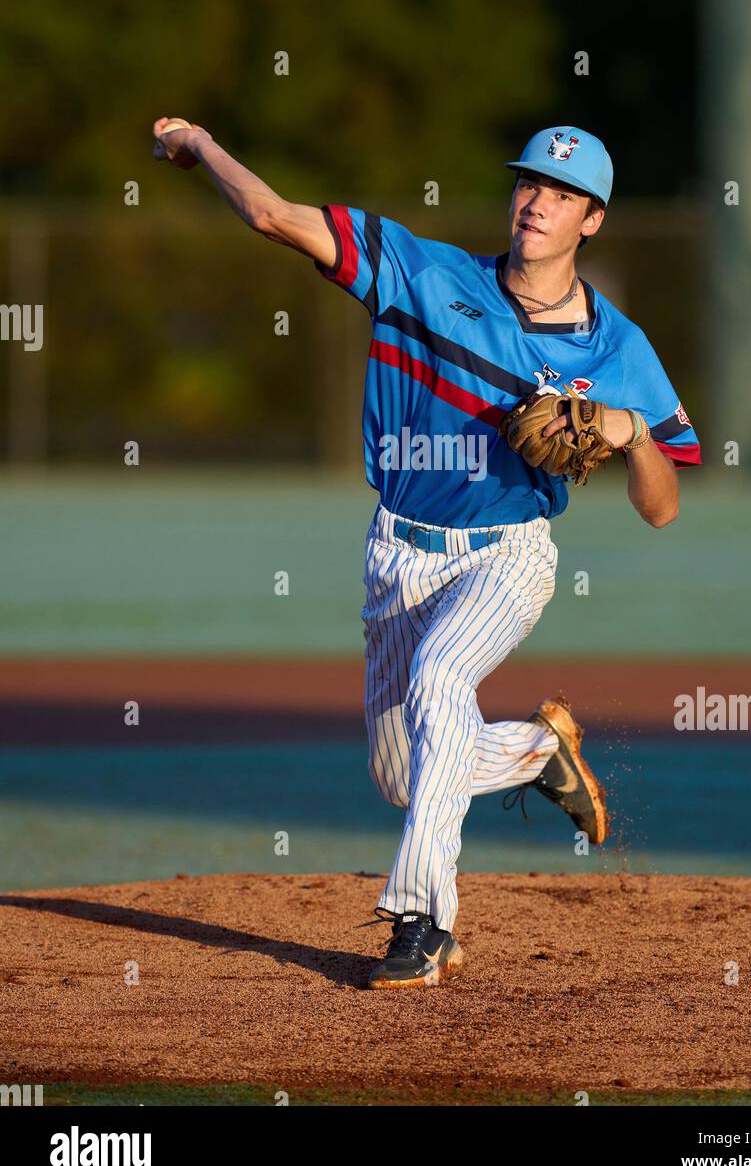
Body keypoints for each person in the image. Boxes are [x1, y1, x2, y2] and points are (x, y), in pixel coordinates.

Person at [152, 118, 701, 989]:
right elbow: (271, 216)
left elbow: (663, 508)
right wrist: (202, 147)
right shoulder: (419, 272)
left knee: (442, 680)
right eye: (530, 183)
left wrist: (633, 432)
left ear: (592, 220)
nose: (537, 203)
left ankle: (420, 921)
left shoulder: (618, 348)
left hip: (508, 553)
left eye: (563, 195)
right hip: (397, 553)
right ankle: (532, 750)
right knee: (404, 775)